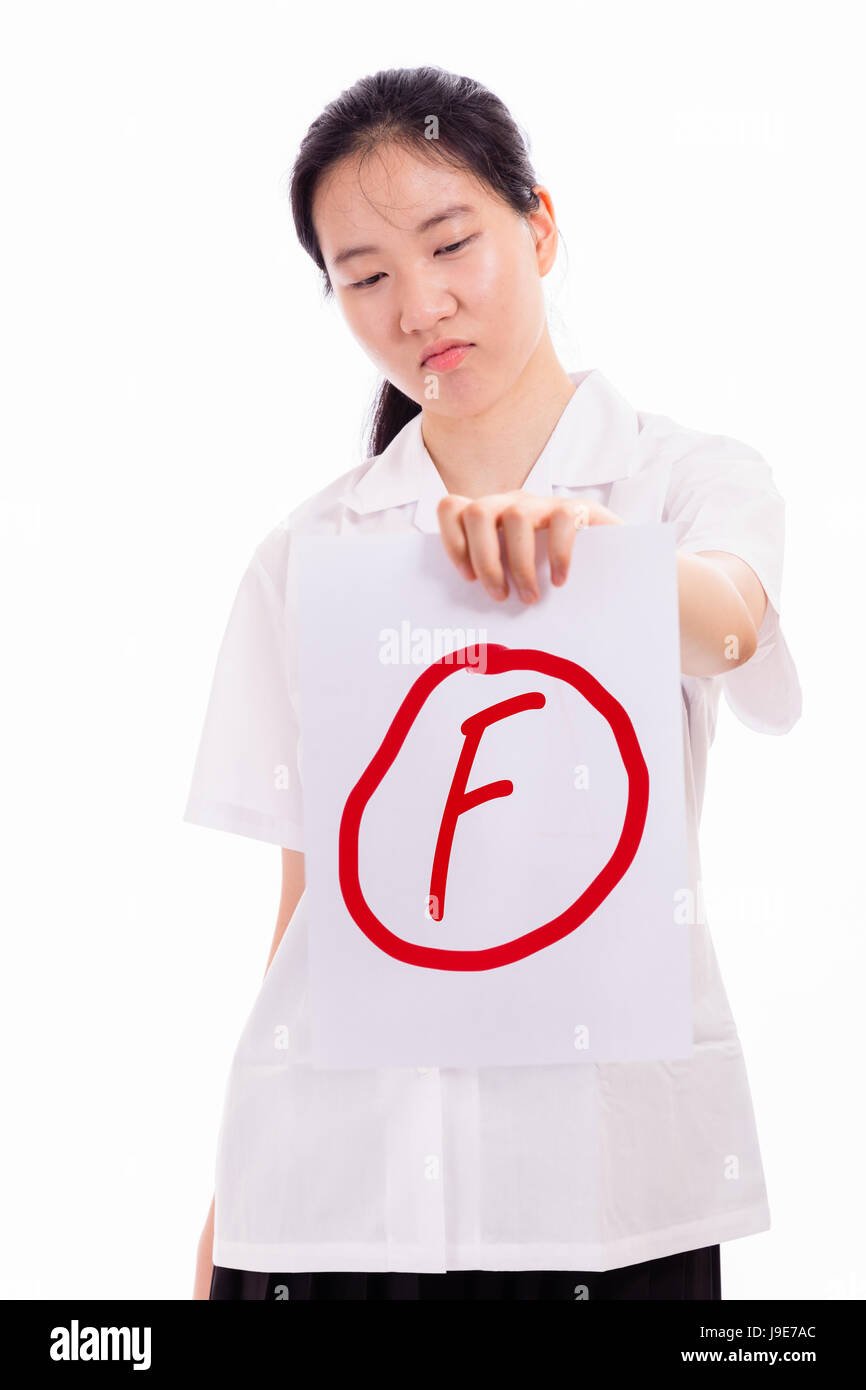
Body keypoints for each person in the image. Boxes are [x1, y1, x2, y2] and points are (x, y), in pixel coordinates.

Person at [186, 65, 801, 1301]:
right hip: (333, 1207)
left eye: (449, 240)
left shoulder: (677, 482)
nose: (418, 303)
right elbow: (317, 903)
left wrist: (589, 558)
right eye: (363, 276)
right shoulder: (309, 552)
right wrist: (226, 1208)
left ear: (540, 226)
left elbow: (733, 627)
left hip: (598, 1199)